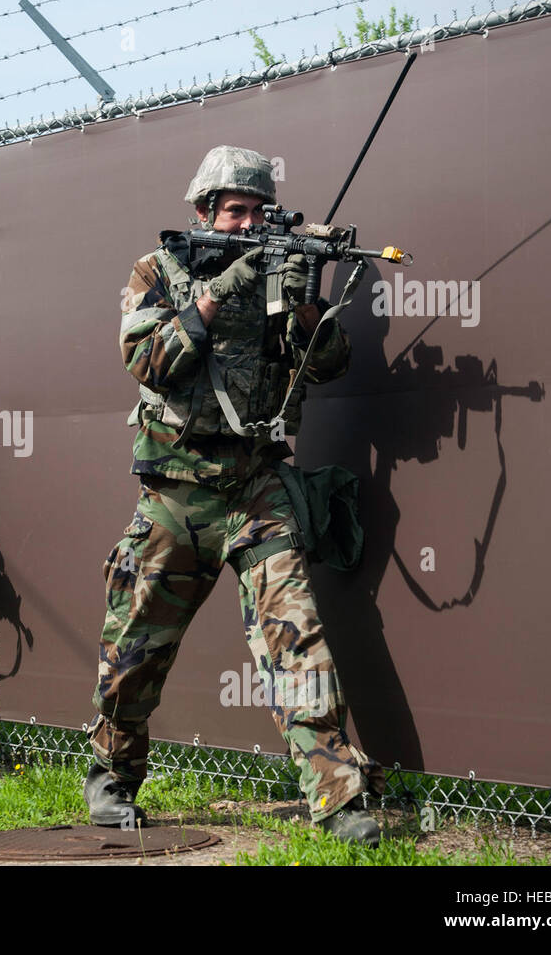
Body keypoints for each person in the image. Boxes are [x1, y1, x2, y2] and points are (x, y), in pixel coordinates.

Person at [84, 146, 384, 844]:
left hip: (257, 487)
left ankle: (339, 797)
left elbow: (331, 363)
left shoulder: (281, 279)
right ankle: (112, 772)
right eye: (236, 212)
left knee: (296, 639)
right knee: (138, 645)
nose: (249, 225)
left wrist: (304, 297)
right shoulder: (158, 271)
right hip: (176, 493)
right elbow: (148, 361)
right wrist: (223, 291)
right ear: (204, 212)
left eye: (259, 213)